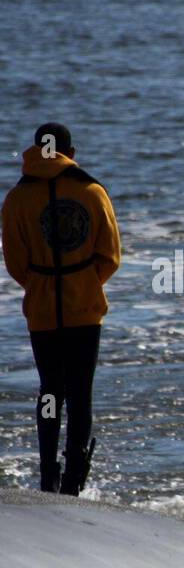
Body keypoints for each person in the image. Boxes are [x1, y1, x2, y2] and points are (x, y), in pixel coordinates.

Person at [2, 123, 119, 494]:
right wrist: (82, 282)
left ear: (36, 149)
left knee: (51, 390)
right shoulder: (90, 190)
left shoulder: (17, 199)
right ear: (71, 151)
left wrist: (42, 284)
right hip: (84, 308)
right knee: (80, 392)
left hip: (42, 309)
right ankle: (74, 476)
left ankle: (47, 470)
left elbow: (15, 262)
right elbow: (110, 256)